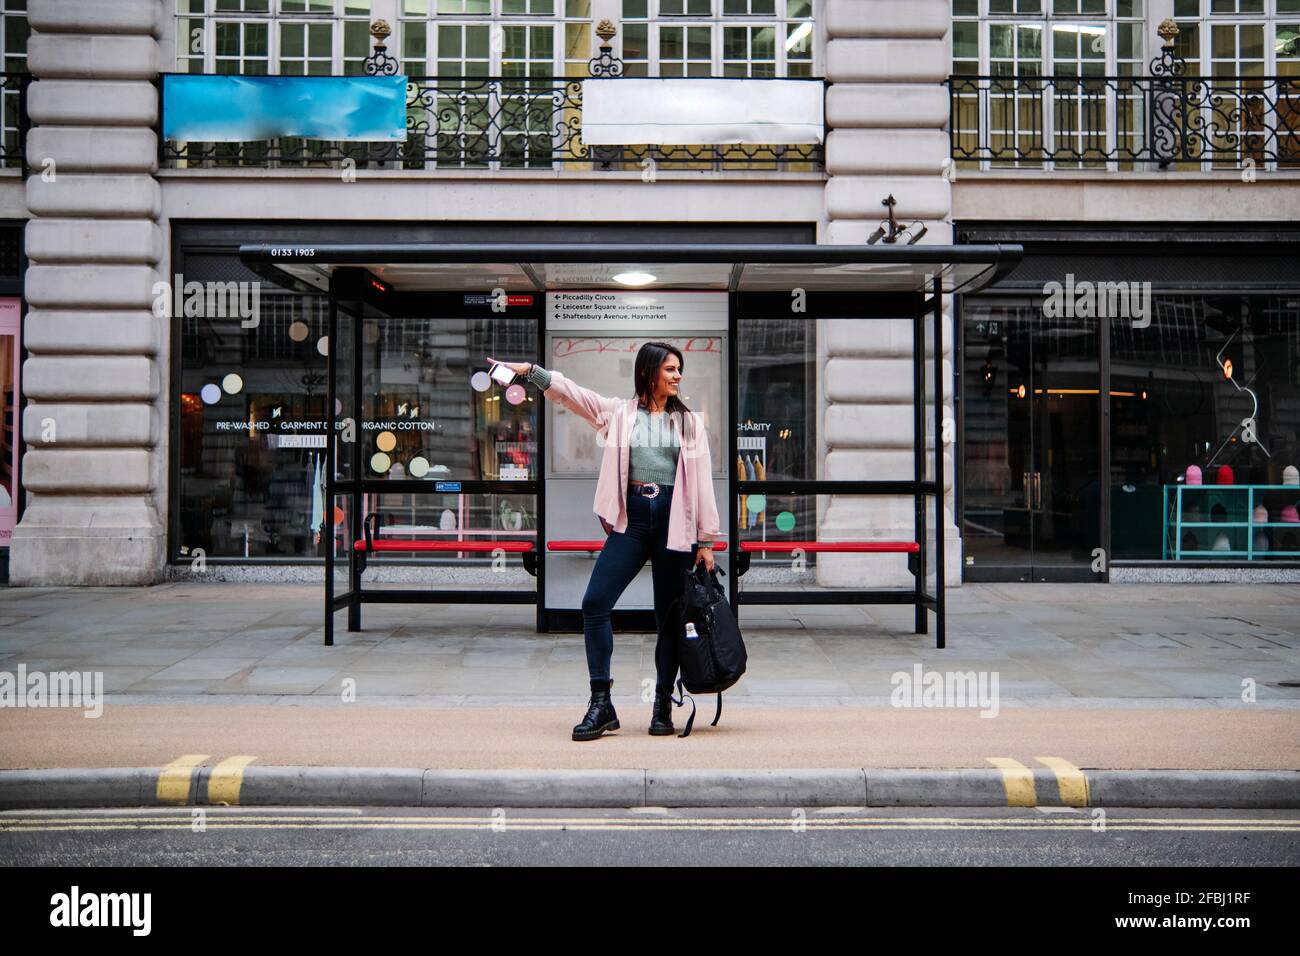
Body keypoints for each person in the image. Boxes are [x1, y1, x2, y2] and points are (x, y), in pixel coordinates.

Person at [486, 343, 721, 741]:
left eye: (679, 369)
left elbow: (701, 483)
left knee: (668, 615)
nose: (677, 376)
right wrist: (530, 372)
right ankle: (602, 703)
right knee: (594, 603)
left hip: (674, 521)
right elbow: (573, 395)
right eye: (669, 369)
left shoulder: (689, 424)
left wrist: (706, 540)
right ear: (648, 373)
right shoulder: (621, 413)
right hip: (631, 520)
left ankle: (663, 703)